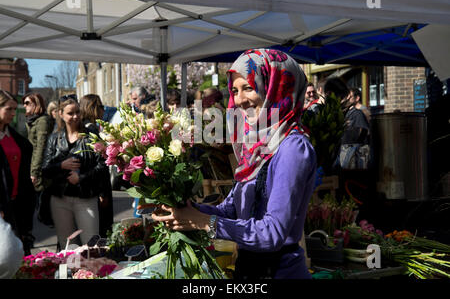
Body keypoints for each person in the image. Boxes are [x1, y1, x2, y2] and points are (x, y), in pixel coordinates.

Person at [152, 49, 317, 279]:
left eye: (248, 88)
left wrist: (205, 223)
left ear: (275, 87)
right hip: (247, 271)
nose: (239, 100)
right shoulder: (256, 146)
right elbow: (231, 210)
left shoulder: (293, 148)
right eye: (235, 91)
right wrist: (184, 211)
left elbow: (272, 233)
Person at [42, 97, 109, 248]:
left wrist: (81, 177)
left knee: (91, 245)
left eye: (77, 112)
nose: (75, 116)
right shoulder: (54, 139)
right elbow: (45, 170)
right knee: (68, 247)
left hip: (85, 198)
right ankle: (74, 273)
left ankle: (92, 272)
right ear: (61, 114)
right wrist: (61, 165)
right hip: (60, 199)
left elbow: (103, 164)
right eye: (70, 113)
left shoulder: (90, 135)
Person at [0, 90, 36, 256]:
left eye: (15, 109)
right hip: (2, 204)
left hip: (18, 203)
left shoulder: (16, 138)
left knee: (18, 253)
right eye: (9, 109)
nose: (13, 114)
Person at [79, 94, 114, 238]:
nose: (103, 110)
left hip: (89, 187)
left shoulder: (85, 128)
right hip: (96, 187)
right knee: (100, 230)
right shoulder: (91, 130)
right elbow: (99, 164)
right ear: (93, 108)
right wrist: (102, 192)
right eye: (101, 106)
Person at [22, 93, 53, 194]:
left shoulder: (42, 121)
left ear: (36, 104)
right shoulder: (32, 120)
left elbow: (40, 147)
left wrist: (34, 172)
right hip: (33, 163)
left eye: (27, 103)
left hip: (40, 168)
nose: (24, 105)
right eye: (24, 103)